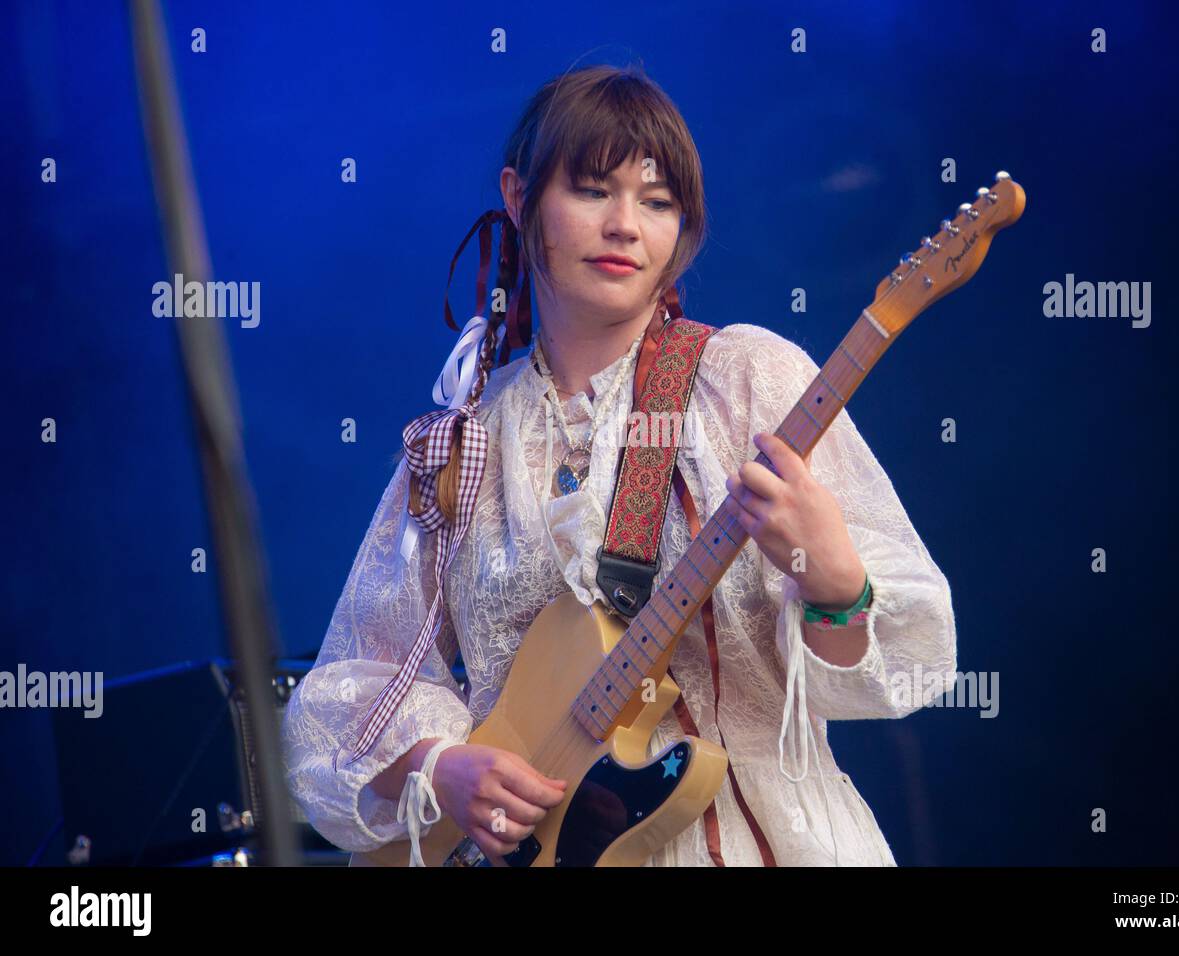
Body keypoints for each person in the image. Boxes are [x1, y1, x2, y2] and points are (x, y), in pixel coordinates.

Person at [280, 63, 957, 867]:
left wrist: (836, 577)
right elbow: (344, 693)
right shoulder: (459, 445)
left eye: (659, 201)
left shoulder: (748, 377)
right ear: (520, 195)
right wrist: (441, 767)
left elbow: (909, 667)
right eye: (595, 190)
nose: (627, 225)